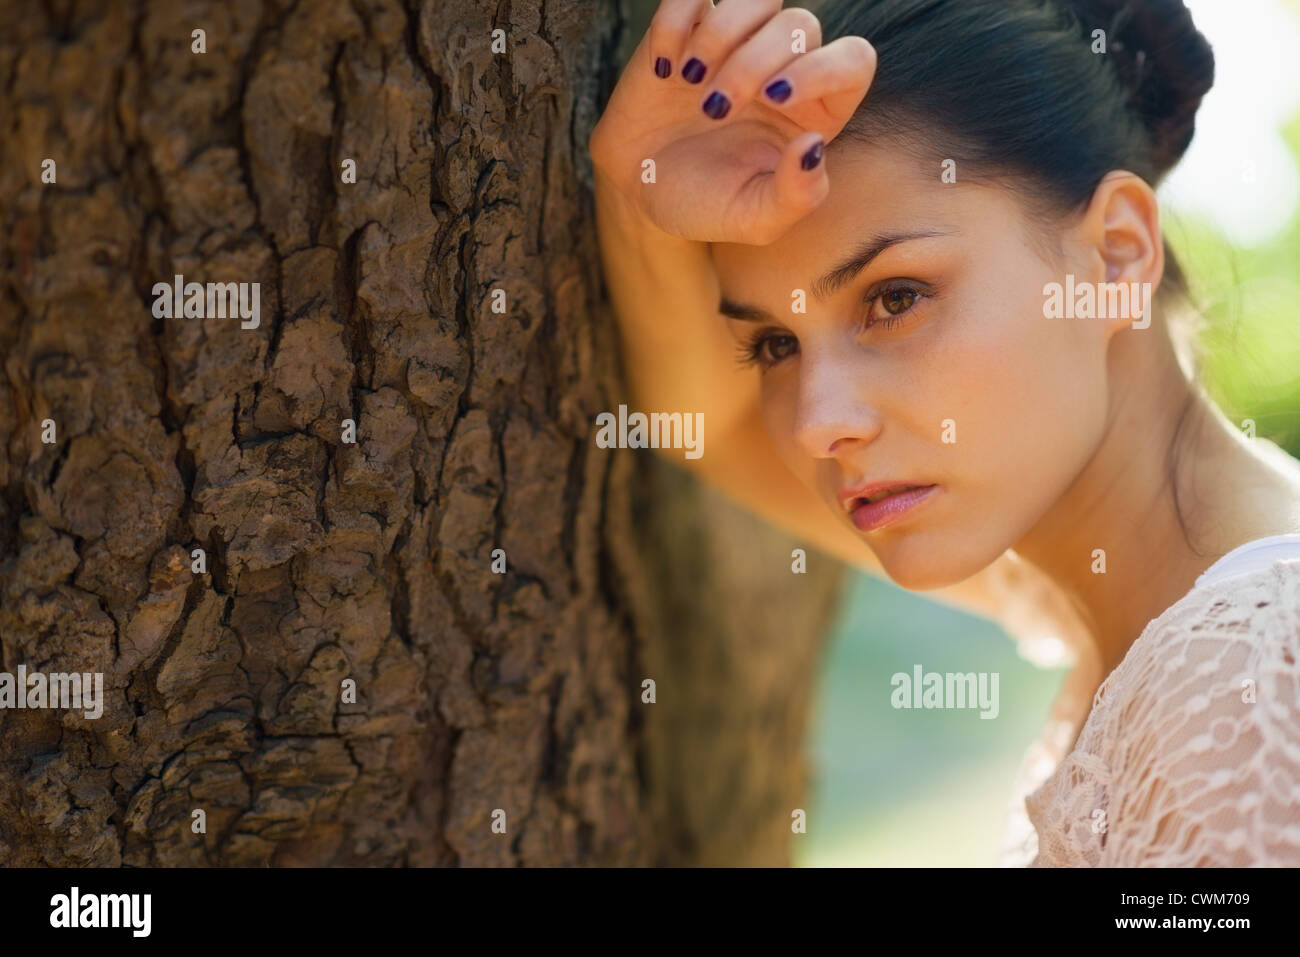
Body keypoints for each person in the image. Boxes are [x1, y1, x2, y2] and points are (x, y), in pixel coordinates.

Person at [589, 0, 1300, 866]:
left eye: (895, 298)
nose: (818, 423)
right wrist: (640, 195)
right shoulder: (1130, 579)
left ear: (1114, 256)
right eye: (774, 344)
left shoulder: (1249, 689)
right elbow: (715, 422)